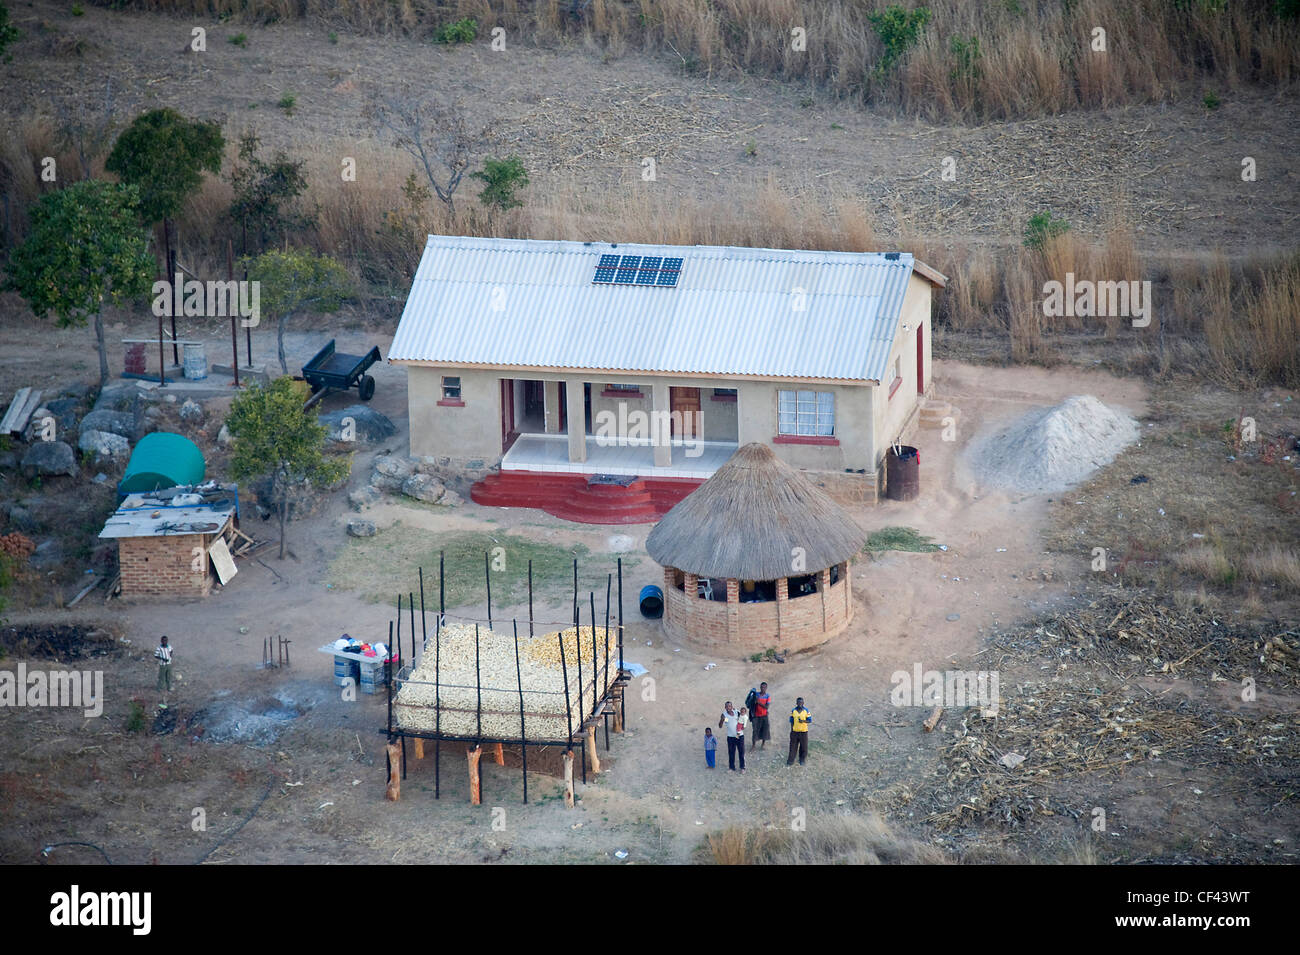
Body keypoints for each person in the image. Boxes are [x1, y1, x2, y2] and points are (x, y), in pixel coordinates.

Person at [718, 701, 746, 772]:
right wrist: (722, 720)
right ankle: (731, 767)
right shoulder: (724, 715)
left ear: (732, 706)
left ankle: (742, 767)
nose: (728, 708)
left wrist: (743, 725)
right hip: (730, 736)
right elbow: (721, 726)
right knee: (731, 752)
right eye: (727, 706)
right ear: (725, 707)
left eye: (729, 706)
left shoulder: (736, 712)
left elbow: (743, 716)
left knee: (741, 752)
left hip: (739, 735)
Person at [787, 696, 812, 766]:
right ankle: (790, 760)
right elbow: (791, 721)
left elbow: (809, 720)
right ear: (796, 703)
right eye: (798, 703)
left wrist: (803, 721)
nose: (800, 704)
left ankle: (802, 759)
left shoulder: (806, 711)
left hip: (804, 732)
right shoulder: (793, 711)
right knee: (793, 746)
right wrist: (791, 731)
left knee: (804, 746)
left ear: (803, 703)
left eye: (801, 702)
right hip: (795, 732)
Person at [749, 682, 772, 750]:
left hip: (764, 715)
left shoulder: (768, 696)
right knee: (755, 730)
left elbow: (767, 707)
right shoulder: (756, 694)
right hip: (756, 715)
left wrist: (758, 702)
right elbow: (751, 702)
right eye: (762, 687)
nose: (763, 689)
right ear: (760, 687)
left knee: (765, 729)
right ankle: (753, 745)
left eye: (764, 687)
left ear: (766, 688)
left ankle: (763, 744)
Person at [155, 636, 174, 704]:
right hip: (162, 664)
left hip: (169, 664)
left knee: (169, 676)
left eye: (166, 640)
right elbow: (156, 655)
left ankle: (169, 688)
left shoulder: (169, 646)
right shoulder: (159, 648)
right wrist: (163, 659)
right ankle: (159, 688)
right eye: (163, 641)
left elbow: (171, 650)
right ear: (161, 641)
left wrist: (170, 656)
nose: (165, 642)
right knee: (161, 677)